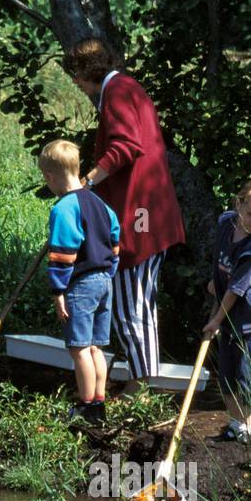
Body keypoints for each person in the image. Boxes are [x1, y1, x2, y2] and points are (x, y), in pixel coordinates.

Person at [64, 37, 185, 392]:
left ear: (86, 72)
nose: (76, 83)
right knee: (138, 302)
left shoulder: (116, 91)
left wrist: (87, 180)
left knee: (132, 305)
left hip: (141, 219)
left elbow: (126, 146)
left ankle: (142, 385)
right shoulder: (129, 86)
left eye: (76, 75)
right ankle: (140, 376)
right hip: (149, 213)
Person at [39, 139, 121, 425]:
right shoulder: (99, 203)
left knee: (79, 348)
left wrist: (58, 290)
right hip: (104, 281)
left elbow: (63, 253)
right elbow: (115, 239)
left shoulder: (63, 209)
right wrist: (109, 271)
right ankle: (99, 403)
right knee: (97, 346)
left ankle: (86, 405)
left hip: (82, 284)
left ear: (50, 177)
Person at [202, 179, 251, 442]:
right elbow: (221, 257)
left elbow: (237, 290)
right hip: (232, 312)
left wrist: (215, 320)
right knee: (226, 372)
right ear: (239, 204)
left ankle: (248, 427)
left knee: (246, 374)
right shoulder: (226, 223)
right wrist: (217, 280)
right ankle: (236, 423)